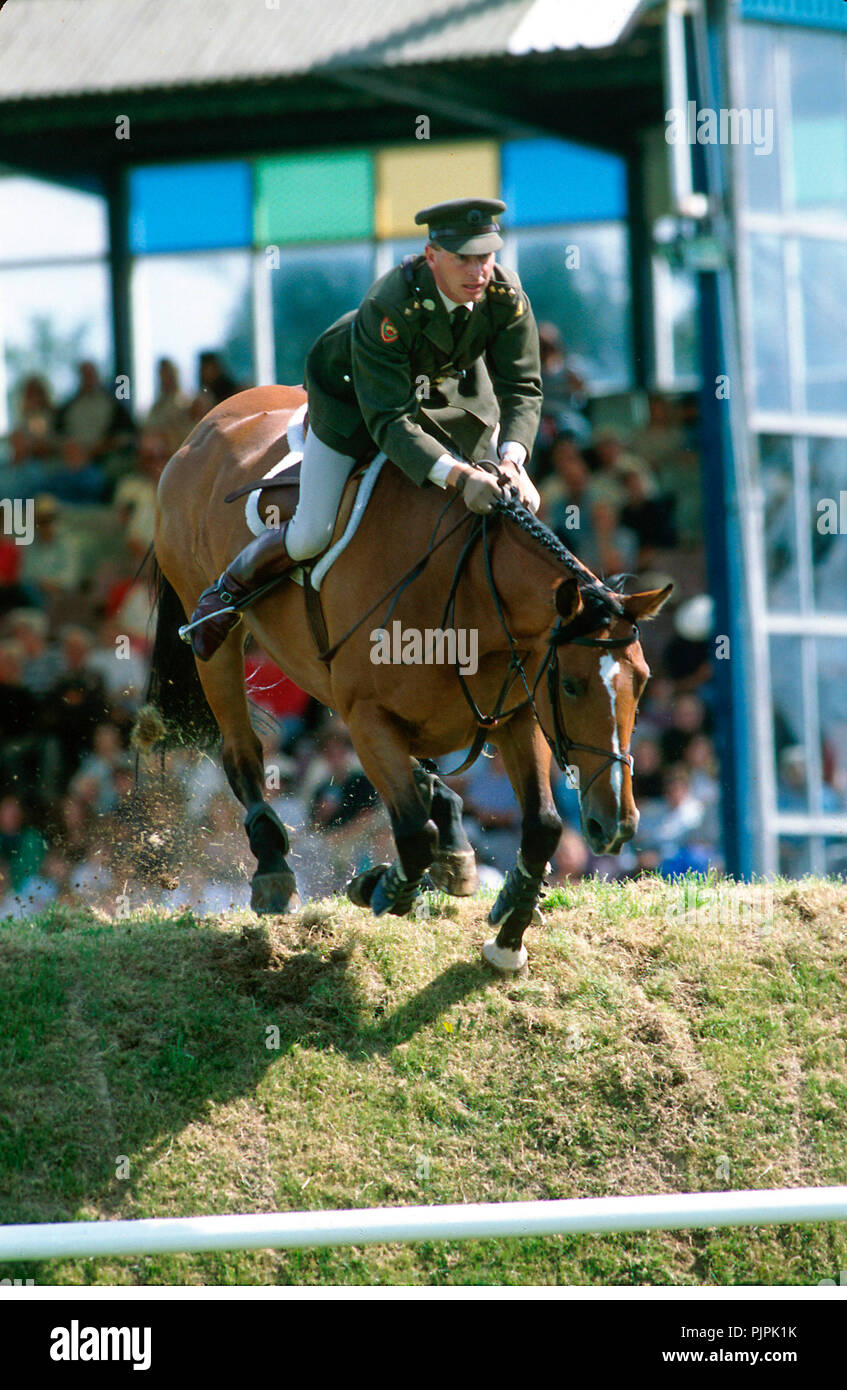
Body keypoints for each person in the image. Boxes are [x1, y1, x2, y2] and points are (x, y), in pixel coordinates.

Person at [187, 197, 543, 660]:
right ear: (432, 256)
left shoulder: (504, 296)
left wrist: (514, 460)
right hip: (357, 399)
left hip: (447, 394)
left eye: (486, 257)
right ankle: (228, 590)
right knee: (313, 531)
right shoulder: (390, 306)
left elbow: (522, 386)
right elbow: (390, 420)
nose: (478, 271)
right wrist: (460, 476)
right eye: (463, 258)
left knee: (525, 500)